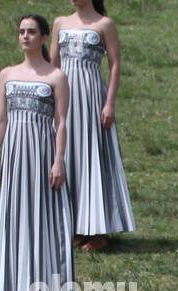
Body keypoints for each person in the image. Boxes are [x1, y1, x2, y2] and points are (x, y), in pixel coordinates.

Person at [0, 14, 73, 291]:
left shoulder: (56, 76)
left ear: (44, 37)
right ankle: (9, 283)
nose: (25, 36)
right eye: (21, 31)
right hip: (14, 154)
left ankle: (45, 286)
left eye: (31, 32)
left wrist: (59, 160)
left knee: (42, 214)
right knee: (13, 212)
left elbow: (61, 123)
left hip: (41, 153)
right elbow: (0, 119)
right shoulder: (6, 74)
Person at [52, 0, 134, 250]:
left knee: (93, 157)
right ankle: (76, 225)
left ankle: (99, 230)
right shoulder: (60, 23)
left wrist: (109, 103)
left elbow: (115, 63)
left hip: (90, 97)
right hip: (65, 97)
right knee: (68, 156)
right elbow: (53, 64)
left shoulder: (104, 24)